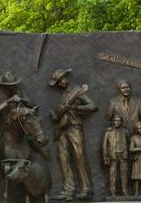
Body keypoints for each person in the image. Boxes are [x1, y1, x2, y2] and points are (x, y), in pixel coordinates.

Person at [49, 68, 97, 201]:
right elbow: (60, 111)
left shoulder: (77, 90)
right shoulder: (64, 93)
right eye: (57, 82)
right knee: (63, 158)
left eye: (60, 80)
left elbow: (93, 106)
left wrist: (76, 108)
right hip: (62, 129)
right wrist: (54, 114)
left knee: (79, 156)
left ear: (66, 77)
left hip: (74, 128)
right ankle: (68, 189)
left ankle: (86, 189)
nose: (60, 83)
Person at [102, 114, 129, 197]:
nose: (117, 122)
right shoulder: (108, 132)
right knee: (112, 174)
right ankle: (112, 191)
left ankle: (125, 190)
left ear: (121, 122)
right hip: (113, 156)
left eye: (119, 121)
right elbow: (104, 146)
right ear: (113, 121)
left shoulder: (125, 131)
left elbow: (129, 142)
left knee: (124, 174)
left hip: (123, 155)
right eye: (115, 120)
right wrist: (105, 156)